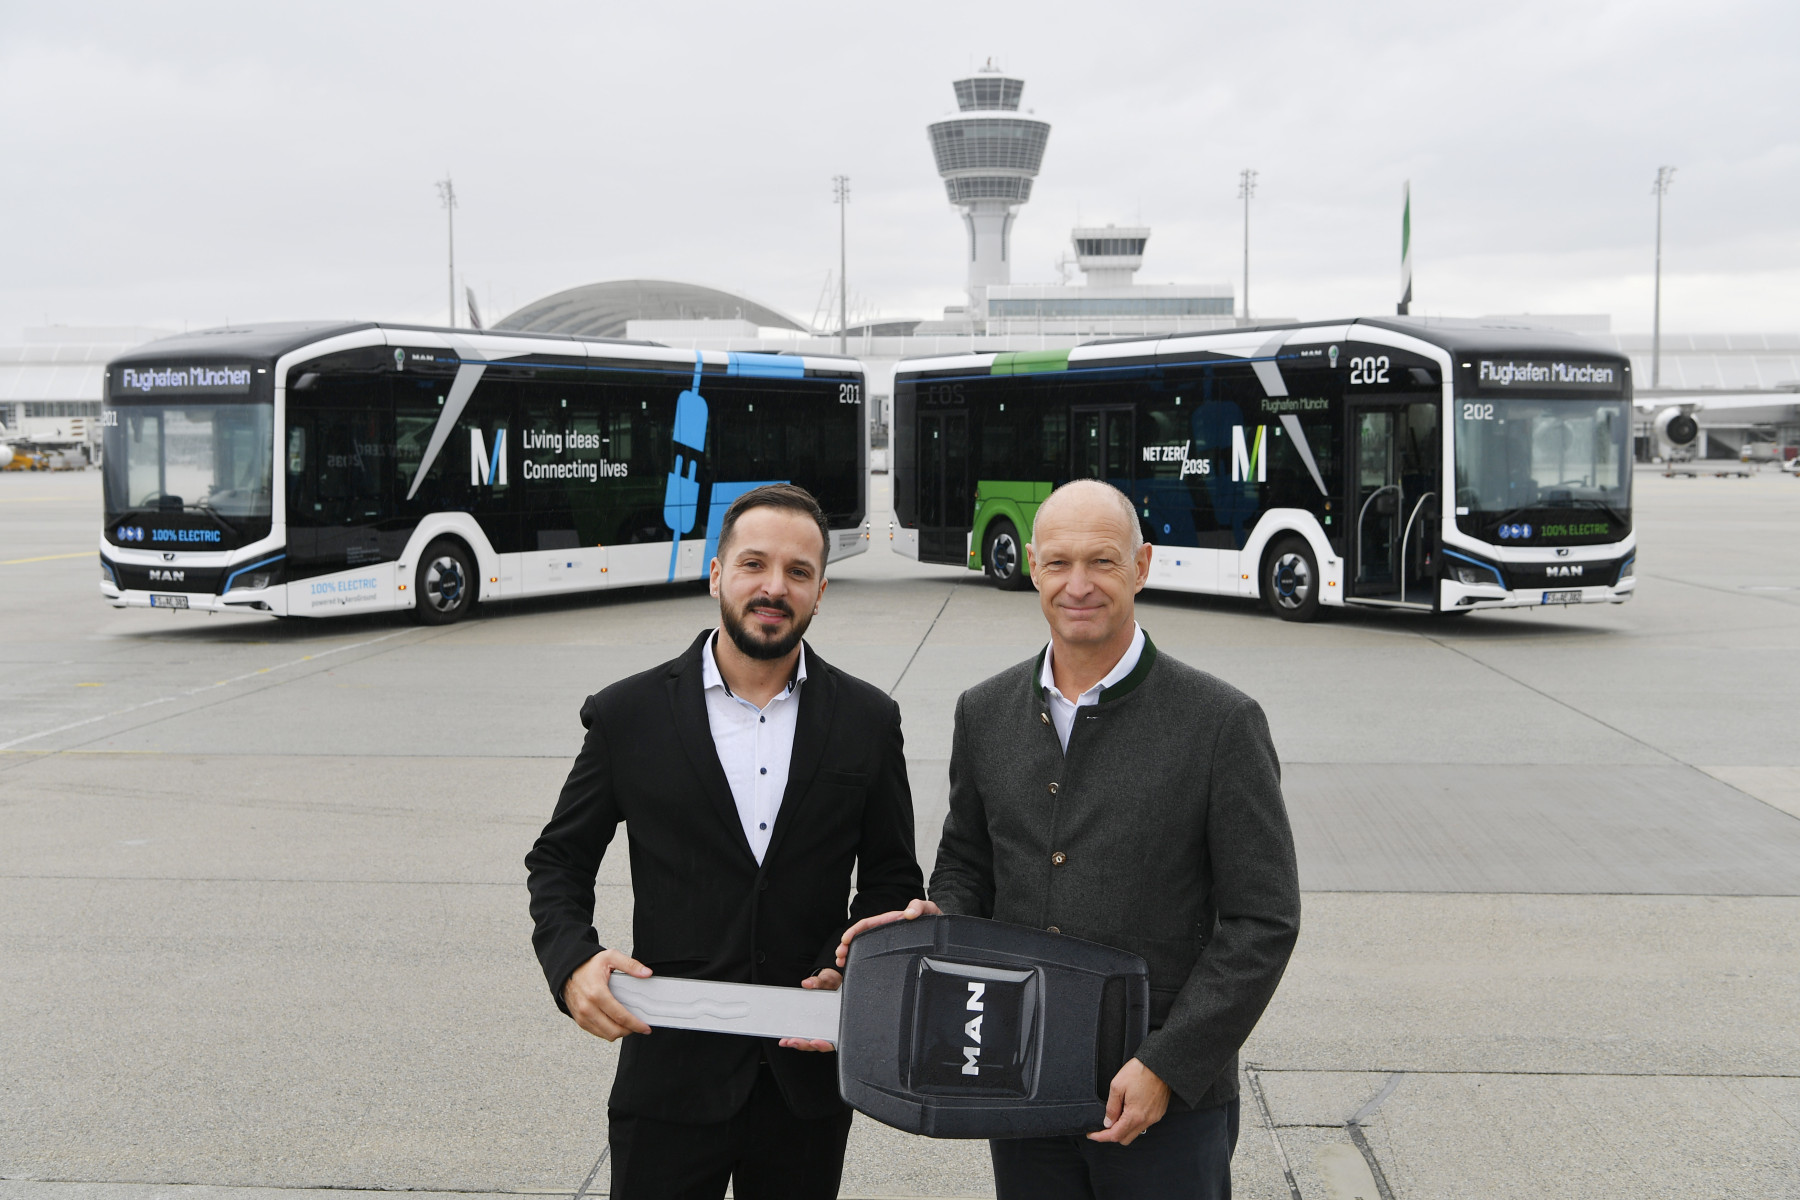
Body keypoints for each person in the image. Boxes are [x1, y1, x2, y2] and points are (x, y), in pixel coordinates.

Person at [838, 478, 1301, 1200]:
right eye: (1058, 562)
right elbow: (967, 861)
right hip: (1018, 1081)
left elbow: (1263, 921)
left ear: (1141, 566)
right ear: (1032, 567)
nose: (1077, 585)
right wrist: (943, 916)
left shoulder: (1221, 723)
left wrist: (1169, 1064)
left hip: (1164, 1104)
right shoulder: (984, 711)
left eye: (1102, 562)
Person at [526, 483, 925, 1200]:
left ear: (820, 590)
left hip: (806, 1082)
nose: (774, 587)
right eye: (753, 564)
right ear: (717, 574)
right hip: (668, 1077)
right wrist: (572, 963)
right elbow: (558, 860)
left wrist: (855, 966)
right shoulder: (627, 714)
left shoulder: (868, 719)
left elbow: (893, 879)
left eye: (798, 572)